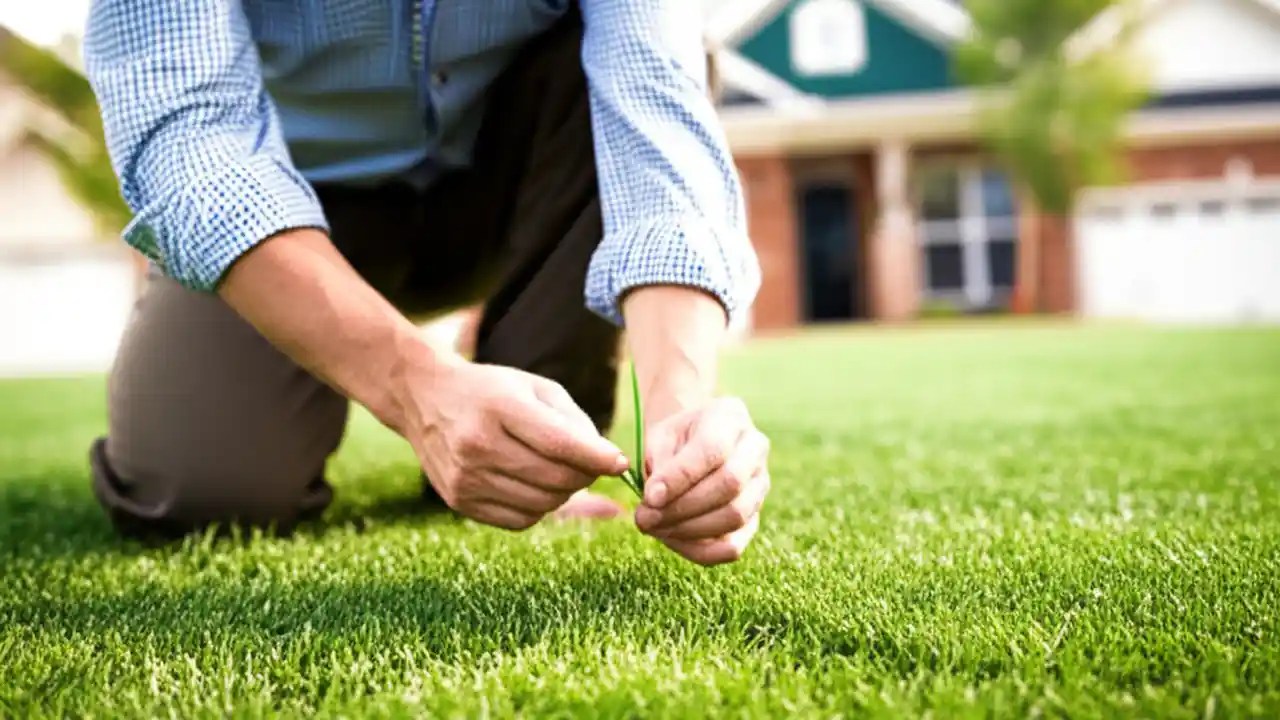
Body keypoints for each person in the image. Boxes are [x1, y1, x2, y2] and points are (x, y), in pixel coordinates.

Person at [82, 0, 771, 566]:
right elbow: (194, 149)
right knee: (205, 491)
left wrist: (680, 412)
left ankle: (539, 439)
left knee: (626, 67)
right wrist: (415, 389)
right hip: (288, 210)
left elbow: (657, 101)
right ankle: (461, 414)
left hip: (503, 186)